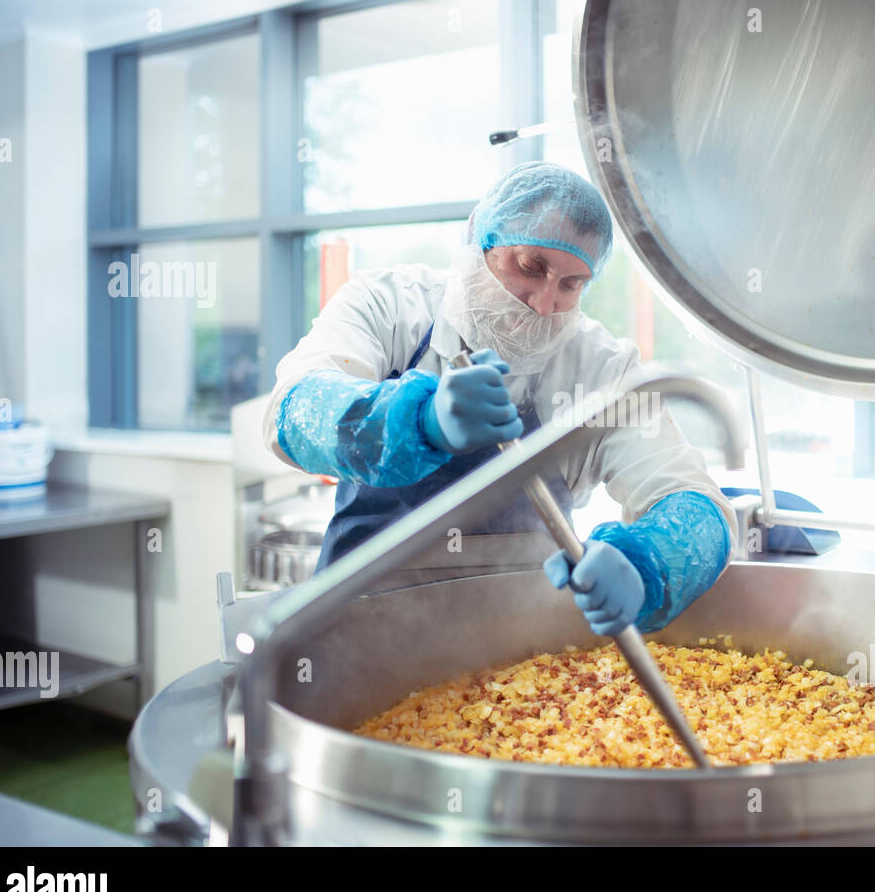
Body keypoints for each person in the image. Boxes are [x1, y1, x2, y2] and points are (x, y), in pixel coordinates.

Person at [261, 161, 734, 637]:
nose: (544, 304)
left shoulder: (602, 369)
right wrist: (416, 421)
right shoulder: (390, 306)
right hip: (355, 630)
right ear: (478, 239)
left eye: (571, 284)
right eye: (531, 266)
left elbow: (692, 499)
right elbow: (293, 412)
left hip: (519, 653)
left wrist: (648, 560)